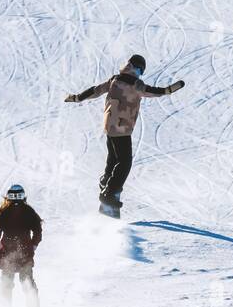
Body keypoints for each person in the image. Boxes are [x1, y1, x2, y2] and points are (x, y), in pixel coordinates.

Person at [64, 54, 185, 212]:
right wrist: (170, 89)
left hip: (109, 125)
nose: (140, 74)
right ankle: (109, 193)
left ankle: (106, 180)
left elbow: (95, 91)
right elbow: (155, 91)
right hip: (121, 128)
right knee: (125, 162)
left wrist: (77, 98)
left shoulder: (115, 79)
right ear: (136, 68)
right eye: (140, 71)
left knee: (114, 158)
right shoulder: (136, 84)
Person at [0, 185, 41, 307]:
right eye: (14, 197)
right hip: (16, 254)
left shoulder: (8, 212)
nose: (16, 201)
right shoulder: (18, 212)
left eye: (17, 196)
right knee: (17, 283)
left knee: (18, 284)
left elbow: (37, 231)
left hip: (18, 254)